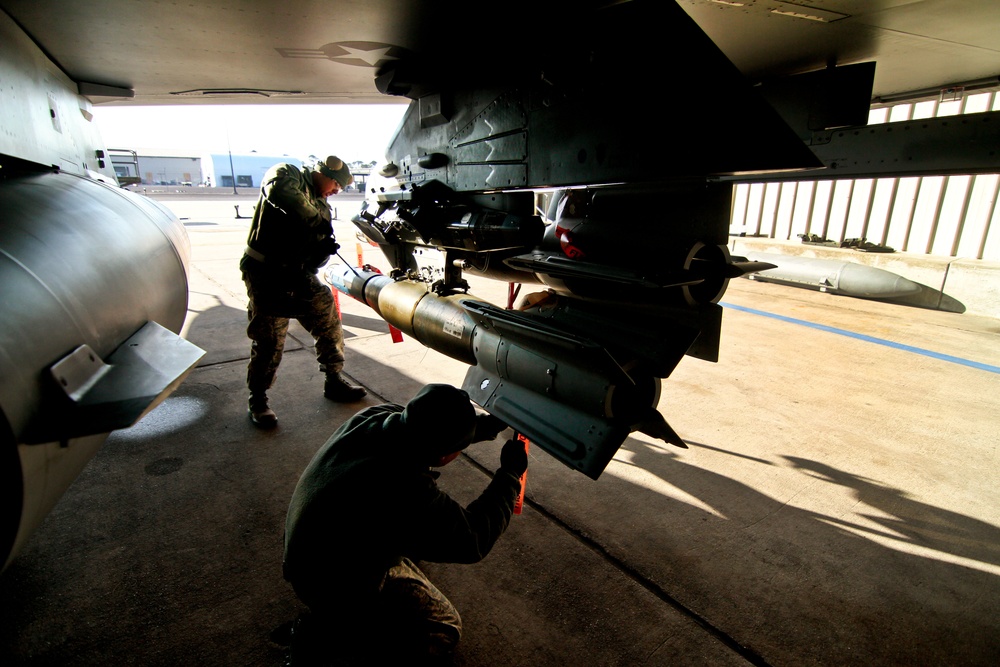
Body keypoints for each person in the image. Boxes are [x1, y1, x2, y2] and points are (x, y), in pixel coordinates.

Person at [282, 384, 526, 665]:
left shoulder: (378, 417)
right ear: (445, 455)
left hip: (307, 548)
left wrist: (485, 426)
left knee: (408, 537)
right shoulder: (403, 488)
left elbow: (431, 429)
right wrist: (509, 475)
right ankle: (328, 641)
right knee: (443, 628)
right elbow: (472, 539)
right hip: (330, 581)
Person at [240, 155, 367, 428]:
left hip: (298, 275)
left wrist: (321, 252)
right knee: (269, 338)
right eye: (336, 185)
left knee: (329, 323)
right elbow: (280, 193)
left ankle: (333, 380)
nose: (336, 192)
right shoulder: (289, 175)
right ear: (323, 174)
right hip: (266, 274)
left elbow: (314, 257)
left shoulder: (323, 206)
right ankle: (258, 399)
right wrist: (315, 222)